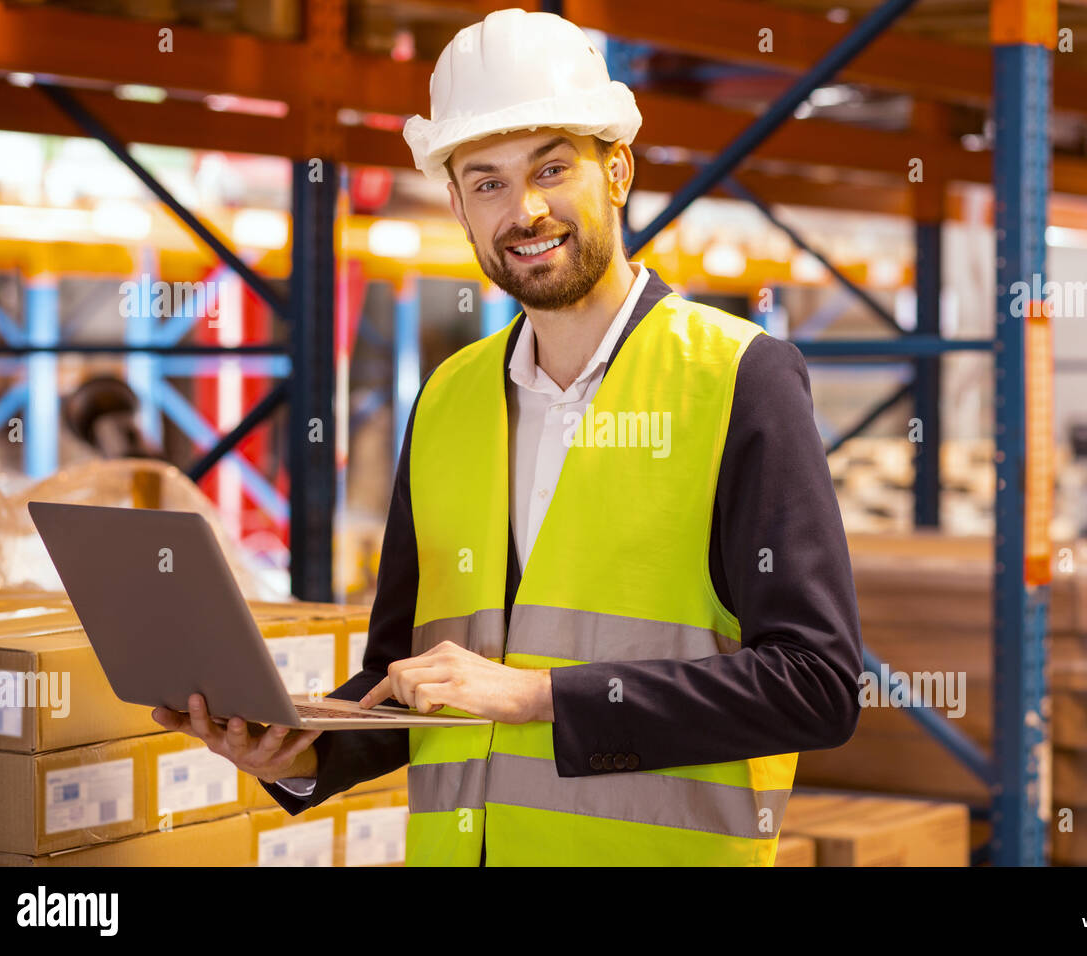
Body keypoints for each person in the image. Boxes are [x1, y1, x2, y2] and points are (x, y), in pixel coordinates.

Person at [152, 6, 862, 866]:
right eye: (486, 181)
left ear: (619, 171)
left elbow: (817, 687)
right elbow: (411, 678)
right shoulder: (448, 399)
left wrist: (540, 697)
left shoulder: (739, 379)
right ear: (455, 203)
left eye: (551, 168)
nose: (524, 210)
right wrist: (305, 751)